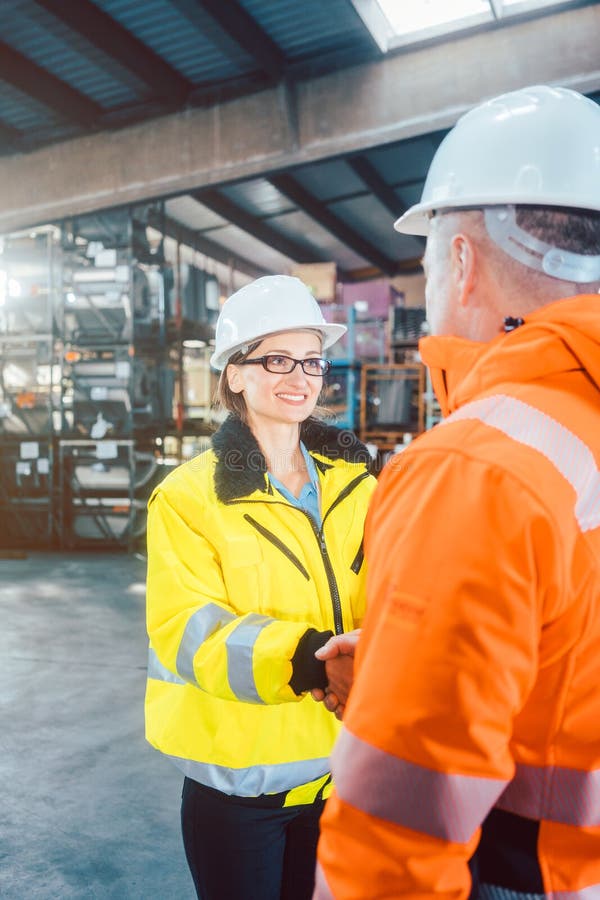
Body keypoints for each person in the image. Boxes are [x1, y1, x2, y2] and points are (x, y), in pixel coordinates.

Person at [314, 85, 600, 898]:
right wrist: (431, 650)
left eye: (431, 262)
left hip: (527, 870)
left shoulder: (476, 468)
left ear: (465, 265)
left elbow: (398, 837)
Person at [144, 274, 376, 900]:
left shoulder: (359, 482)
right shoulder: (189, 497)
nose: (299, 376)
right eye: (276, 359)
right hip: (242, 787)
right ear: (235, 374)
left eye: (310, 360)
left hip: (344, 773)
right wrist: (314, 663)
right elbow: (188, 631)